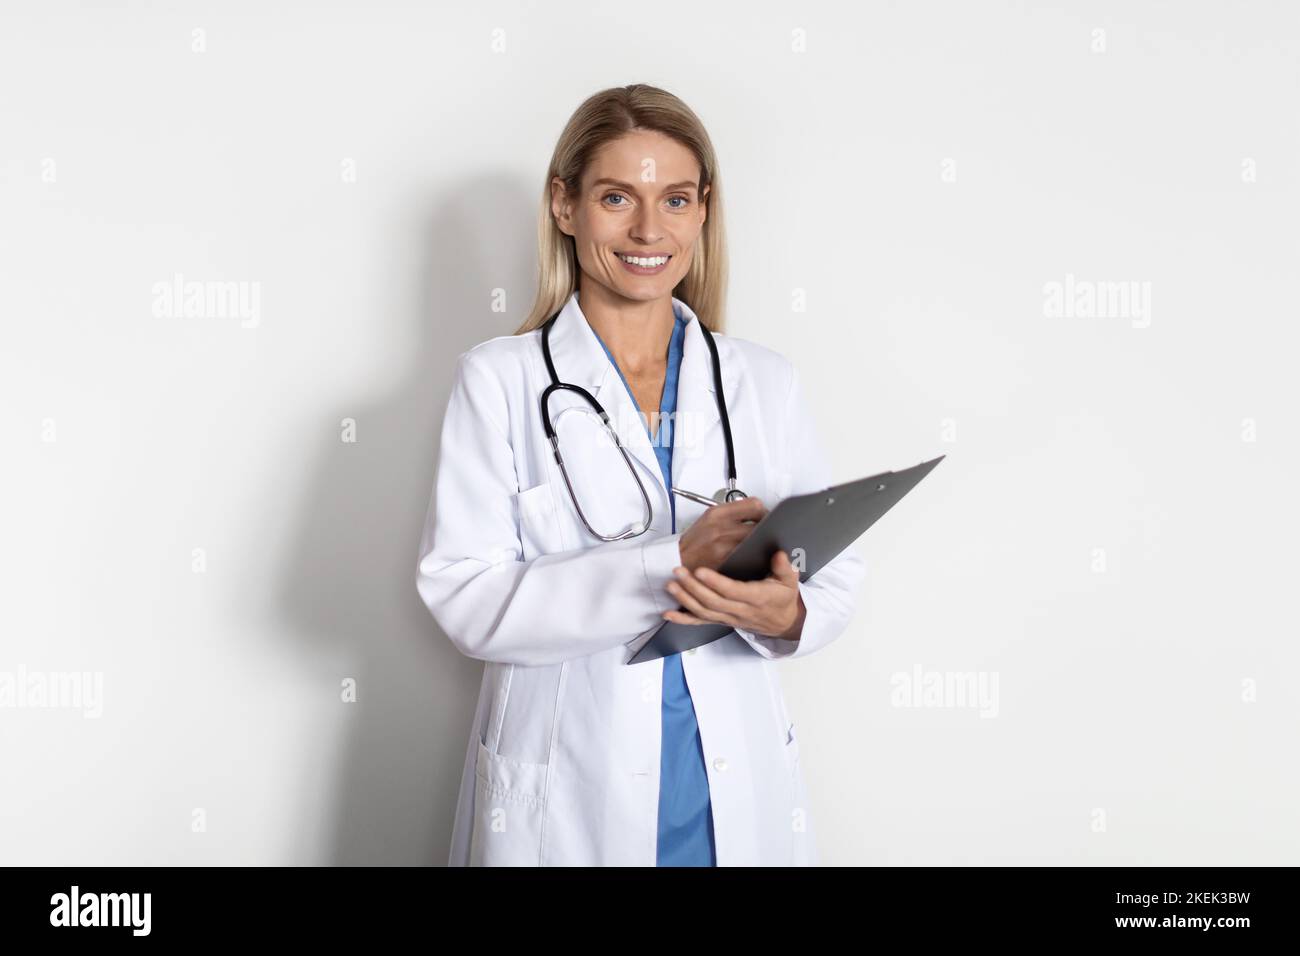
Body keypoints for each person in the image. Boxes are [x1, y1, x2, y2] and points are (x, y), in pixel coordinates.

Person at [416, 83, 865, 866]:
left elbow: (835, 579)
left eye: (677, 199)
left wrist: (782, 614)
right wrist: (670, 565)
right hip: (569, 793)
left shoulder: (763, 380)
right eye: (617, 197)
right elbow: (464, 596)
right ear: (565, 205)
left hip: (731, 781)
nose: (649, 229)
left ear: (704, 211)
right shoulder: (502, 380)